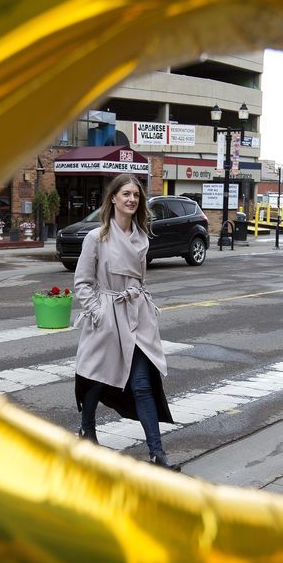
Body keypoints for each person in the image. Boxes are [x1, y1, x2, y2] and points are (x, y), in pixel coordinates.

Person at [73, 173, 179, 471]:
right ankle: (87, 429)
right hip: (108, 315)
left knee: (143, 384)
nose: (132, 199)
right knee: (97, 377)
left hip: (137, 314)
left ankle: (157, 455)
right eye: (126, 194)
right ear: (113, 199)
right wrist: (98, 312)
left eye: (136, 195)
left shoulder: (142, 237)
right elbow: (82, 282)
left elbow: (139, 280)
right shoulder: (96, 238)